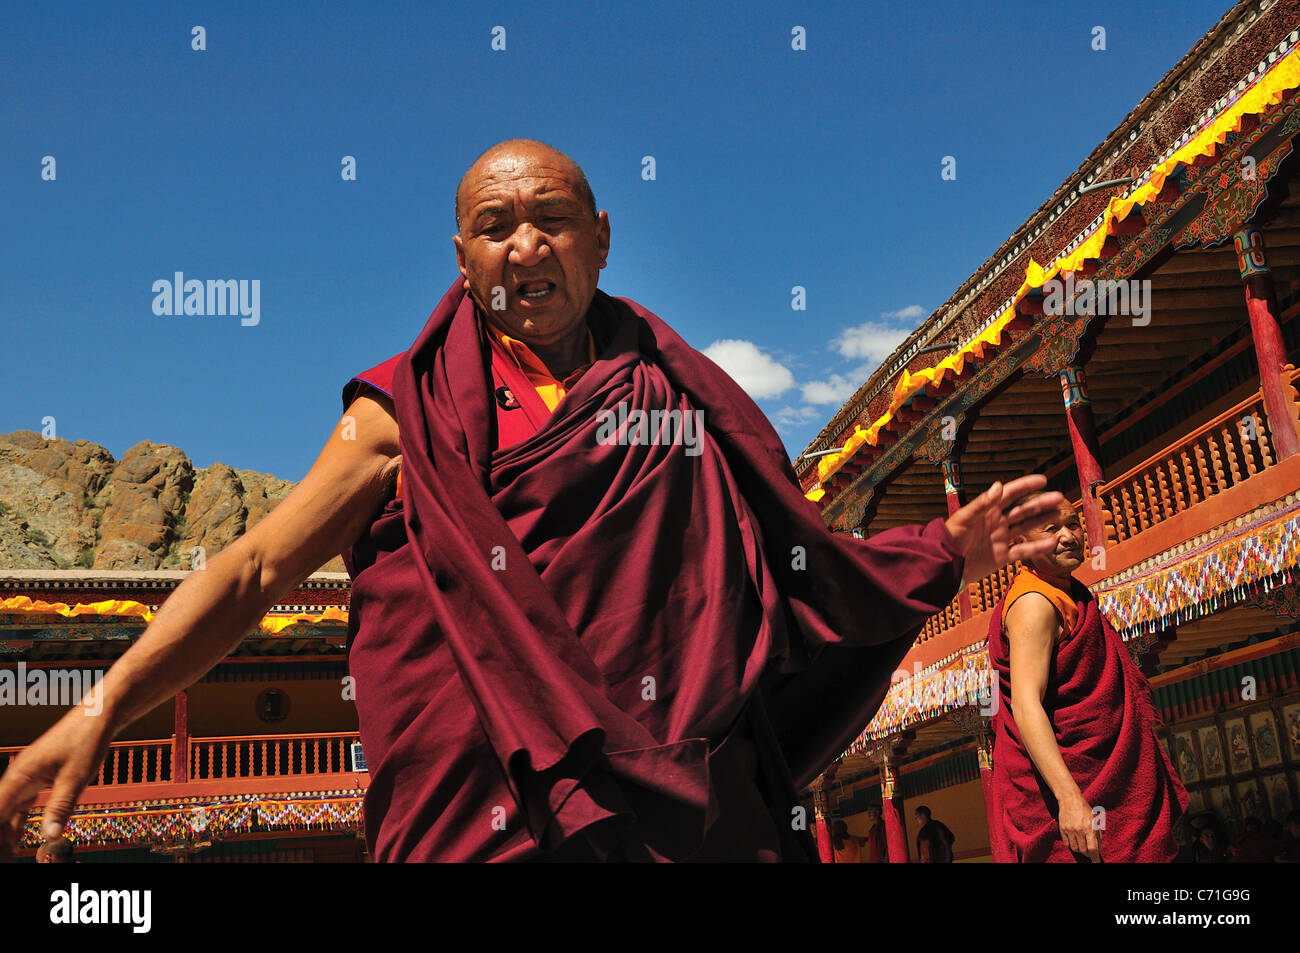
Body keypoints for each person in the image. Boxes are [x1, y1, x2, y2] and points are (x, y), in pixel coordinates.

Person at [0, 139, 1067, 863]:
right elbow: (252, 569)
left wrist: (938, 551)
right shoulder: (401, 415)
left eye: (551, 220)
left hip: (684, 806)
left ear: (600, 238)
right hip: (480, 810)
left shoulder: (673, 391)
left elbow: (789, 558)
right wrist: (101, 705)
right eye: (495, 225)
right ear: (462, 259)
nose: (526, 245)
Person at [987, 496, 1188, 862]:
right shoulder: (1034, 603)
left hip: (1098, 781)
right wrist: (1069, 799)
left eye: (1074, 523)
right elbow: (1026, 703)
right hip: (1068, 791)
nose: (1069, 536)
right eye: (1052, 530)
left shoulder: (1069, 593)